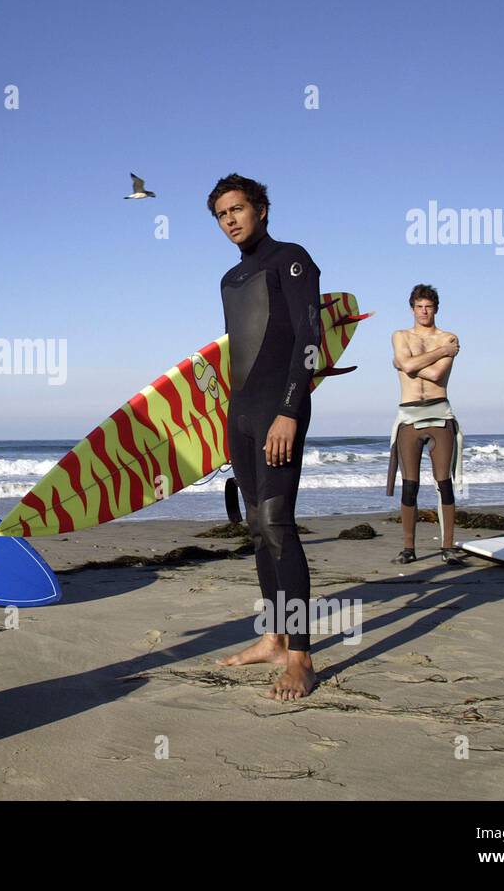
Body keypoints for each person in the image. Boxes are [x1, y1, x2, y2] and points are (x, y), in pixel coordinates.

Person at [208, 173, 322, 700]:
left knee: (278, 523)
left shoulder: (291, 260)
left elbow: (308, 339)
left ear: (261, 208)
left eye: (237, 209)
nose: (230, 220)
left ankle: (300, 655)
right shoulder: (230, 280)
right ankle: (273, 637)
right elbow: (239, 354)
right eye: (221, 214)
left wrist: (289, 412)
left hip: (279, 412)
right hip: (241, 416)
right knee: (256, 526)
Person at [388, 284, 465, 564]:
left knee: (444, 483)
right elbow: (410, 368)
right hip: (409, 416)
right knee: (410, 484)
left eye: (428, 307)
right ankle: (409, 548)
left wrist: (406, 362)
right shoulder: (400, 335)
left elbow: (434, 373)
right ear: (412, 309)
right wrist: (439, 352)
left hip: (440, 413)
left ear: (436, 309)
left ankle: (447, 547)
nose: (424, 311)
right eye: (419, 306)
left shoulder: (449, 337)